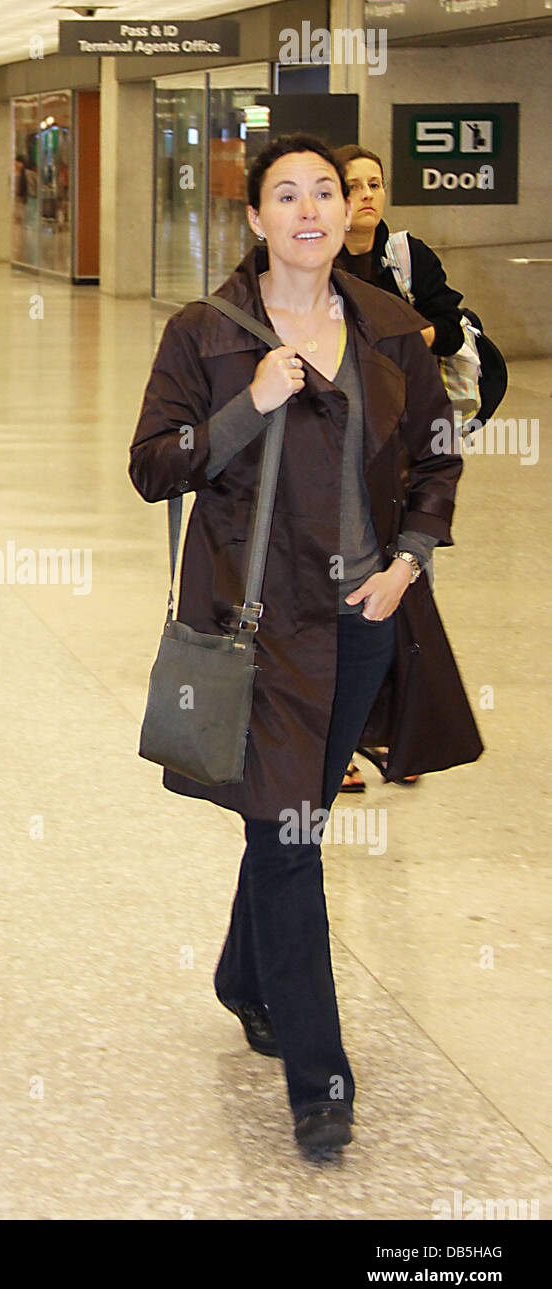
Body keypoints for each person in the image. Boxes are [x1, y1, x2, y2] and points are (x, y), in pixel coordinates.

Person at [129, 133, 481, 1155]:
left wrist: (409, 559)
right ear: (254, 219)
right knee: (287, 839)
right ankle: (320, 1081)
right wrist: (250, 406)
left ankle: (244, 976)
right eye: (284, 195)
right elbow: (153, 466)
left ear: (345, 211)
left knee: (289, 821)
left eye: (323, 191)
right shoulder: (205, 333)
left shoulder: (387, 327)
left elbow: (435, 455)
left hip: (365, 618)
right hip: (258, 623)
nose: (309, 209)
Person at [333, 142, 467, 793]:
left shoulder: (406, 259)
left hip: (407, 442)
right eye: (352, 185)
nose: (366, 195)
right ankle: (348, 743)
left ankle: (398, 733)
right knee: (346, 598)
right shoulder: (313, 266)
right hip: (344, 453)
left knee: (407, 589)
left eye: (374, 184)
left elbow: (449, 324)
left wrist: (412, 339)